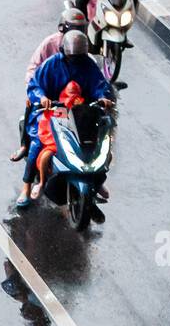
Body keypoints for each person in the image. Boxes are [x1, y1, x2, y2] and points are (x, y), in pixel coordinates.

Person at [17, 31, 113, 208]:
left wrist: (103, 97)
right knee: (37, 144)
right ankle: (27, 186)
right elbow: (35, 85)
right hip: (53, 113)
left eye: (79, 56)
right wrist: (42, 98)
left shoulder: (88, 65)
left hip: (82, 114)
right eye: (72, 57)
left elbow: (100, 86)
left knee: (101, 144)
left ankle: (98, 180)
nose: (76, 60)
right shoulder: (51, 64)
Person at [10, 8, 88, 163]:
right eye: (74, 29)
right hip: (49, 93)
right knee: (33, 112)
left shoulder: (82, 45)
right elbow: (34, 69)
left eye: (80, 29)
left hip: (71, 95)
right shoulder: (50, 45)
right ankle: (25, 145)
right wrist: (40, 93)